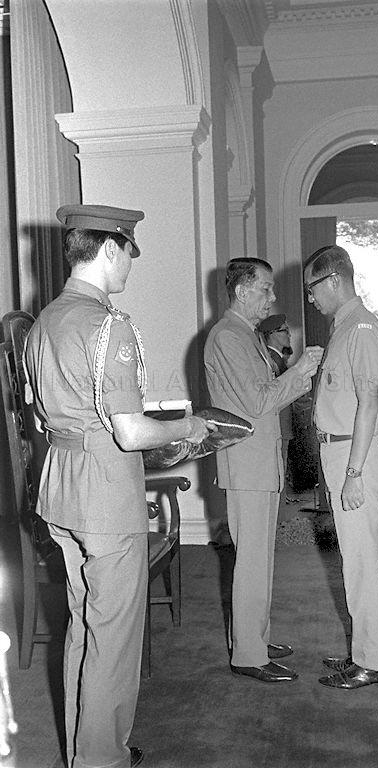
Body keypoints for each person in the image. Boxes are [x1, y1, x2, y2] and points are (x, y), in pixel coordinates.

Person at [24, 204, 213, 768]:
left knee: (83, 628)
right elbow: (131, 433)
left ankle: (87, 753)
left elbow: (41, 418)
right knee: (114, 642)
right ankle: (103, 759)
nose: (131, 263)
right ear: (110, 249)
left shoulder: (42, 325)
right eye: (129, 251)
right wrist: (189, 425)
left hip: (60, 493)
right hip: (107, 499)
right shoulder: (110, 325)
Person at [204, 258, 323, 683]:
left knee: (261, 558)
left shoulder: (244, 335)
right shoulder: (228, 337)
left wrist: (293, 374)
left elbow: (263, 396)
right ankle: (249, 656)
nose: (272, 297)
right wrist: (299, 371)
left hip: (259, 463)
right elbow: (257, 403)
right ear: (242, 292)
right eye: (266, 289)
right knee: (252, 559)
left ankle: (254, 636)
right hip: (247, 466)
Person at [304, 244, 378, 690]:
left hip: (350, 457)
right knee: (352, 559)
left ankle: (374, 664)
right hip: (338, 452)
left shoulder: (359, 328)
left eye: (313, 288)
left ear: (333, 280)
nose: (310, 298)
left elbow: (370, 401)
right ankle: (364, 651)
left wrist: (354, 474)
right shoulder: (343, 328)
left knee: (362, 561)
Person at [257, 314, 294, 501]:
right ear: (272, 334)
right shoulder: (271, 360)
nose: (290, 334)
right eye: (284, 331)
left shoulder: (278, 360)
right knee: (277, 476)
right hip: (277, 427)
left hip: (282, 426)